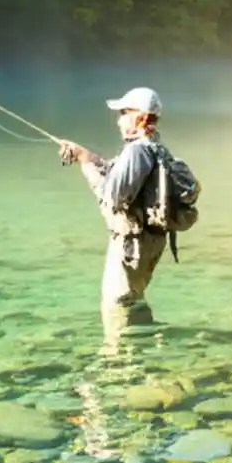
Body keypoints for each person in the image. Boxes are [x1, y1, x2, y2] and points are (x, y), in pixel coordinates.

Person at [57, 86, 170, 334]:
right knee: (131, 301)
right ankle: (143, 355)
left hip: (131, 245)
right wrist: (83, 154)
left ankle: (121, 365)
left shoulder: (138, 151)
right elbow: (116, 174)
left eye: (123, 112)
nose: (119, 120)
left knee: (117, 305)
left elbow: (111, 198)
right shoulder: (151, 146)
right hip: (145, 241)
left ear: (139, 117)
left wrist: (86, 165)